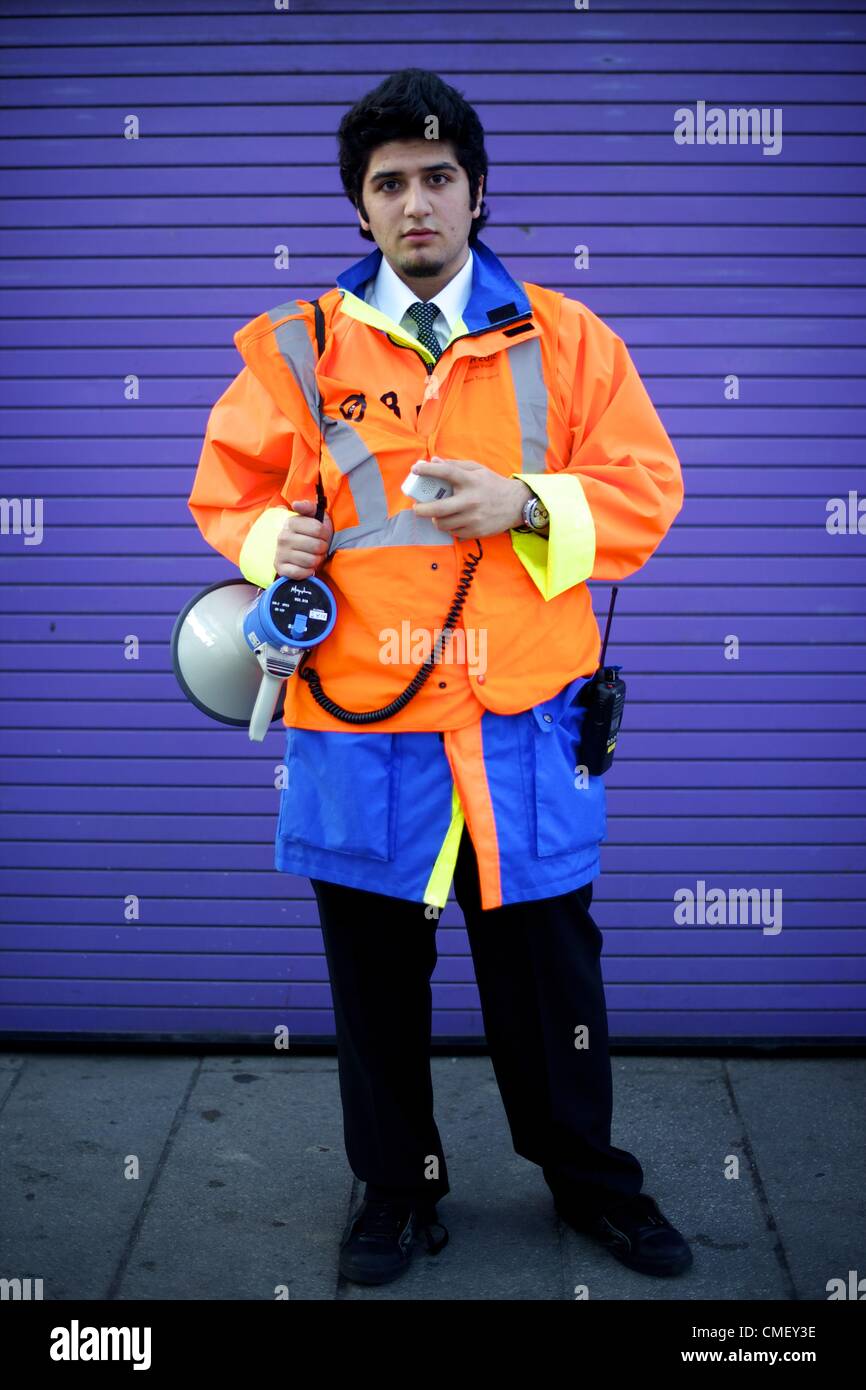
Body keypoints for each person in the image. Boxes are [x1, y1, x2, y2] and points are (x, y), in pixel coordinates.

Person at [187, 68, 690, 1288]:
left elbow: (645, 493)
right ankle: (393, 1190)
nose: (415, 203)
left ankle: (589, 1182)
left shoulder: (571, 343)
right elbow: (225, 489)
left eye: (437, 178)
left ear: (475, 193)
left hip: (517, 728)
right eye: (388, 184)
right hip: (363, 731)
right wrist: (269, 544)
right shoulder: (297, 348)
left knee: (549, 983)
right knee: (373, 985)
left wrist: (523, 499)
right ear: (360, 210)